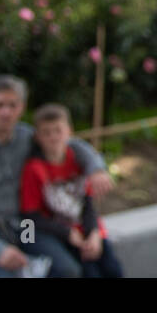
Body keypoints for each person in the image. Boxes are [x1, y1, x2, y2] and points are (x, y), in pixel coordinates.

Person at [0, 75, 114, 278]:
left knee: (66, 269)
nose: (6, 112)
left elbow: (71, 145)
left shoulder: (27, 138)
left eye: (12, 105)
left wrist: (96, 168)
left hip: (24, 227)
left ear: (21, 108)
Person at [20, 104, 123, 278]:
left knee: (112, 269)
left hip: (88, 230)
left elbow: (88, 203)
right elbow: (30, 216)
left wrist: (93, 233)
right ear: (37, 137)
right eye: (47, 132)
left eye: (58, 130)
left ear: (69, 131)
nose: (53, 137)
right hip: (62, 235)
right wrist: (67, 233)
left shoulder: (78, 159)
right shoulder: (34, 170)